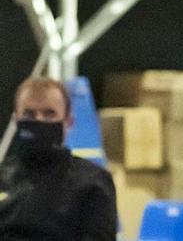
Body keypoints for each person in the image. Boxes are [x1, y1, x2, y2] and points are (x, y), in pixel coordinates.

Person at [0, 77, 117, 241]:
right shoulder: (2, 177)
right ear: (16, 121)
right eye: (29, 114)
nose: (39, 120)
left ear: (68, 122)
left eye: (49, 114)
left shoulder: (94, 182)